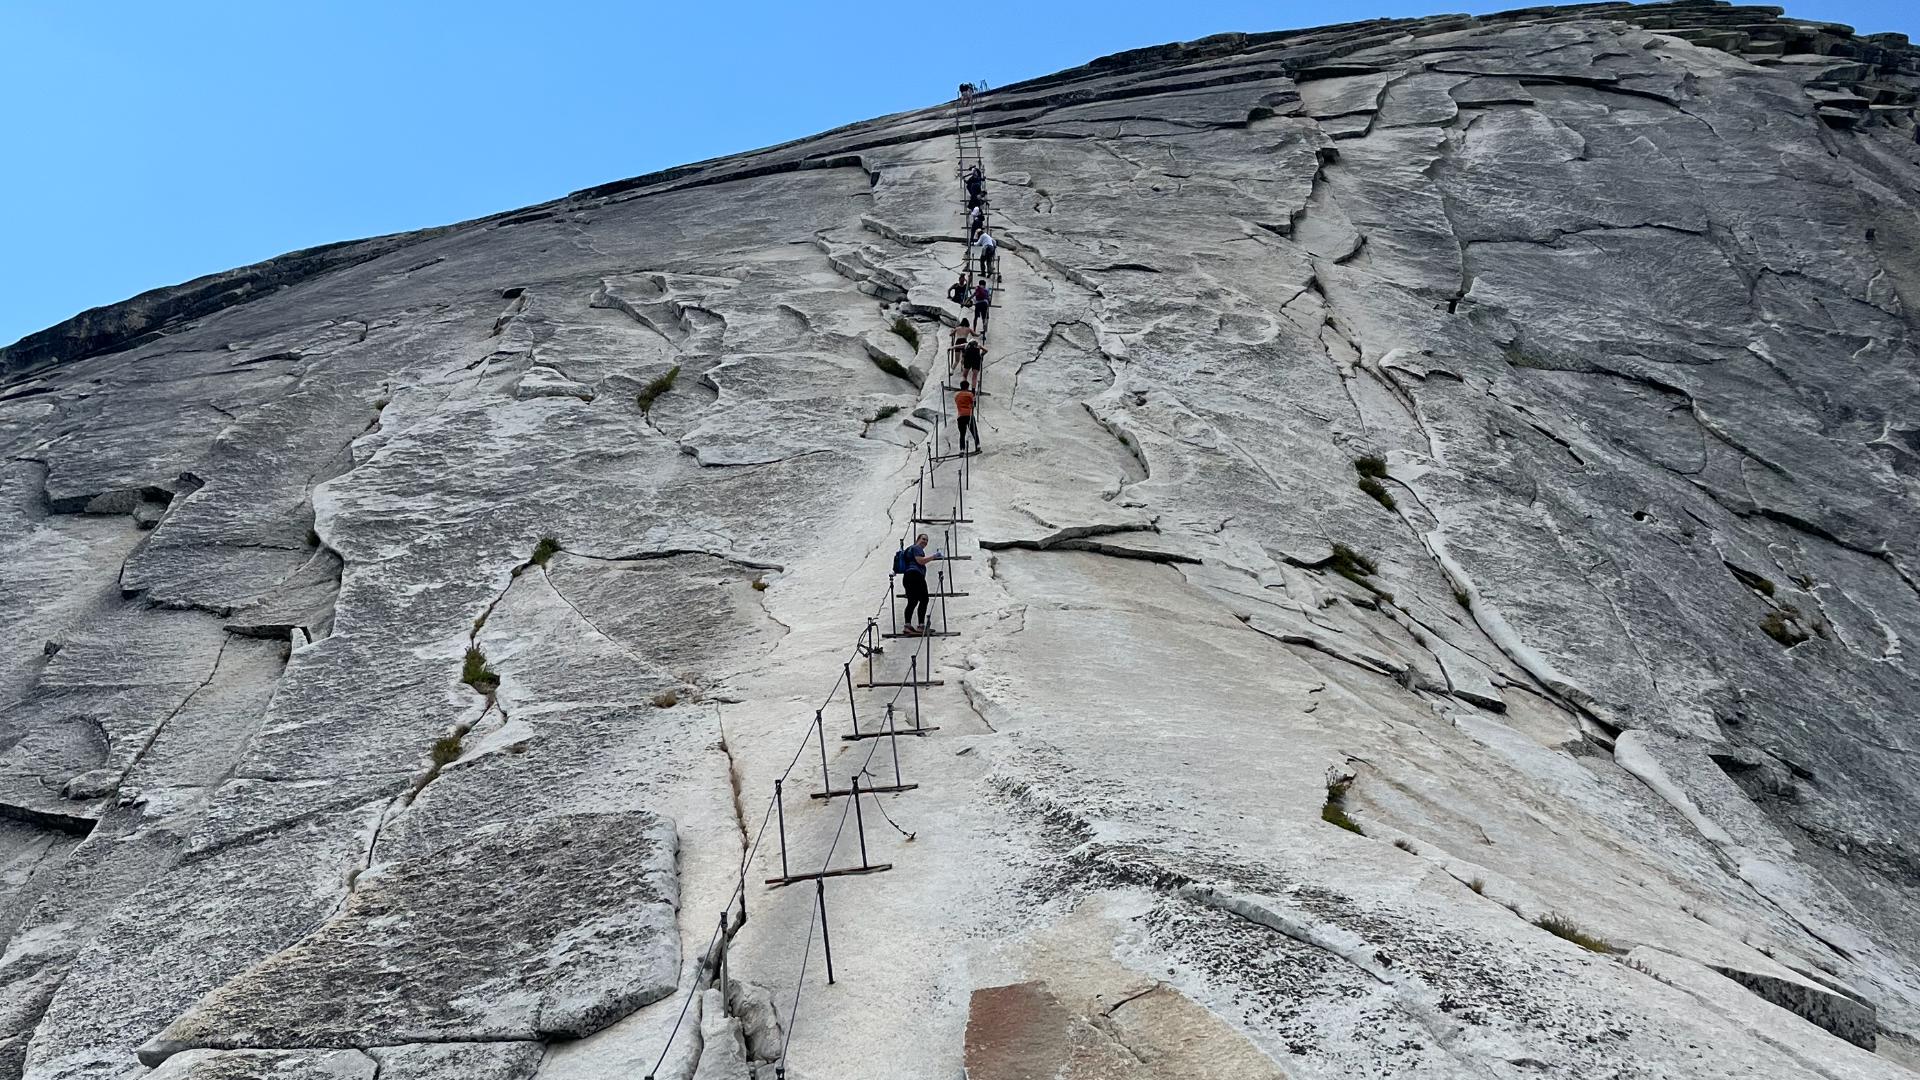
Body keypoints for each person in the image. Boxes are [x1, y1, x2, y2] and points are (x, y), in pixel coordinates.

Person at [896, 533, 940, 634]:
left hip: (907, 577)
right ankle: (921, 625)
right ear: (918, 539)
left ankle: (907, 625)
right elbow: (920, 561)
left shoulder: (908, 550)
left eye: (926, 540)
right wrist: (934, 556)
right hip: (916, 575)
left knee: (913, 601)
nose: (925, 541)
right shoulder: (916, 548)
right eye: (923, 539)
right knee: (924, 599)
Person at [954, 386, 979, 453]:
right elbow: (974, 404)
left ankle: (962, 449)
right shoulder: (970, 394)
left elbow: (957, 403)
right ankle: (977, 445)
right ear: (967, 387)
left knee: (962, 434)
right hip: (969, 415)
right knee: (974, 432)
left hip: (961, 416)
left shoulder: (957, 396)